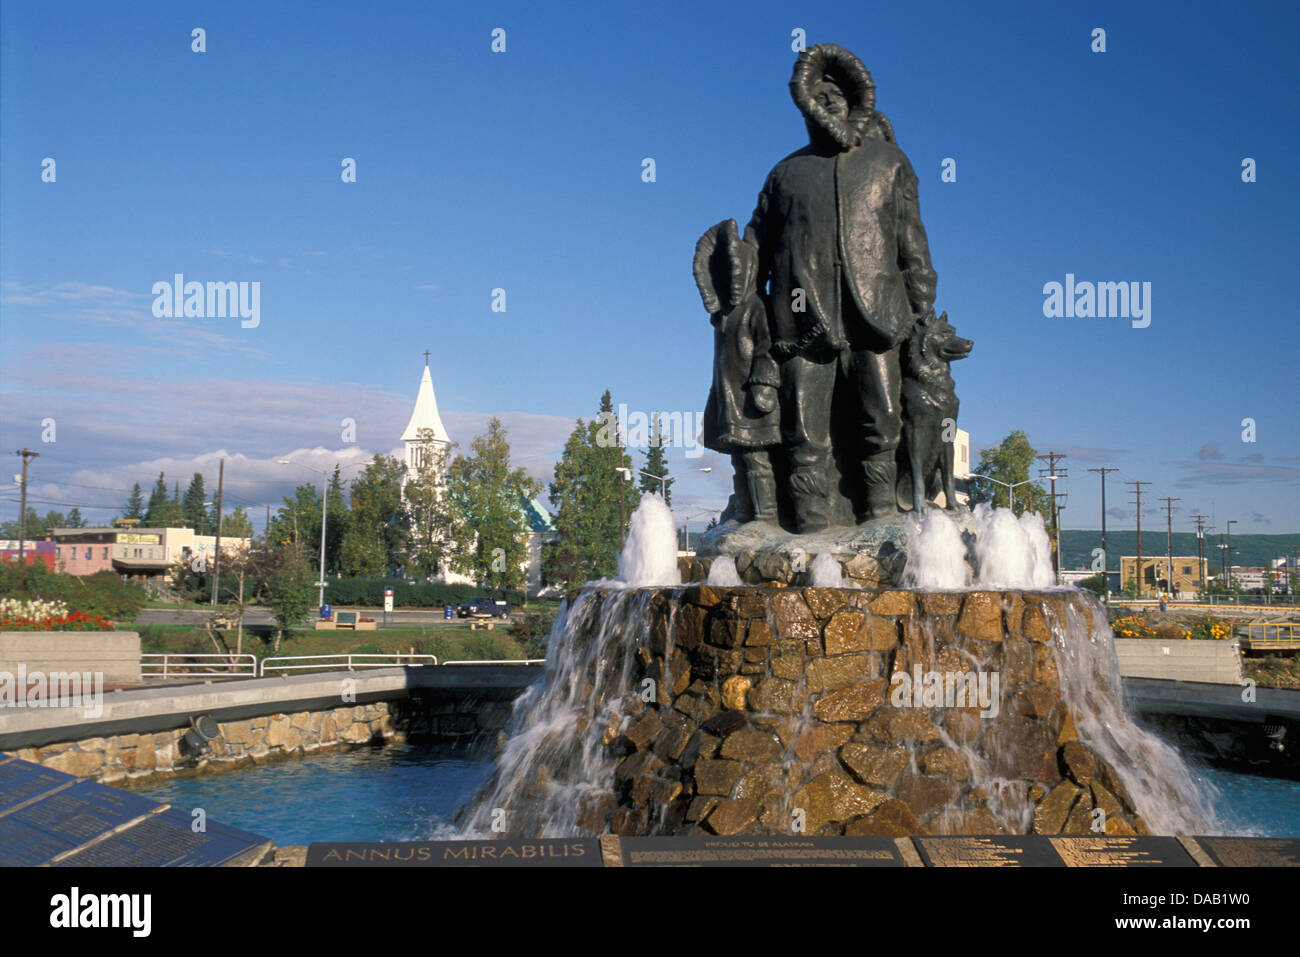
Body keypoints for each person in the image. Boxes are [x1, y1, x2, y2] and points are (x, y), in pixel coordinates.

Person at [744, 44, 937, 530]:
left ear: (853, 100)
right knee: (804, 430)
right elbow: (757, 245)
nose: (827, 103)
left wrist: (920, 307)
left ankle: (882, 515)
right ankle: (809, 526)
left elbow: (911, 242)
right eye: (818, 96)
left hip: (878, 315)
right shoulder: (785, 173)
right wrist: (734, 289)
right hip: (802, 319)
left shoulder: (891, 162)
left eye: (835, 94)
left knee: (884, 417)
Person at [696, 219, 781, 522]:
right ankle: (744, 513)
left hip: (751, 399)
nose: (733, 281)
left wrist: (764, 382)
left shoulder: (757, 308)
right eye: (728, 274)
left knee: (757, 459)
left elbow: (766, 347)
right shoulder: (722, 317)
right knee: (740, 460)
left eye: (738, 274)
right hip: (728, 395)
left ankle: (765, 516)